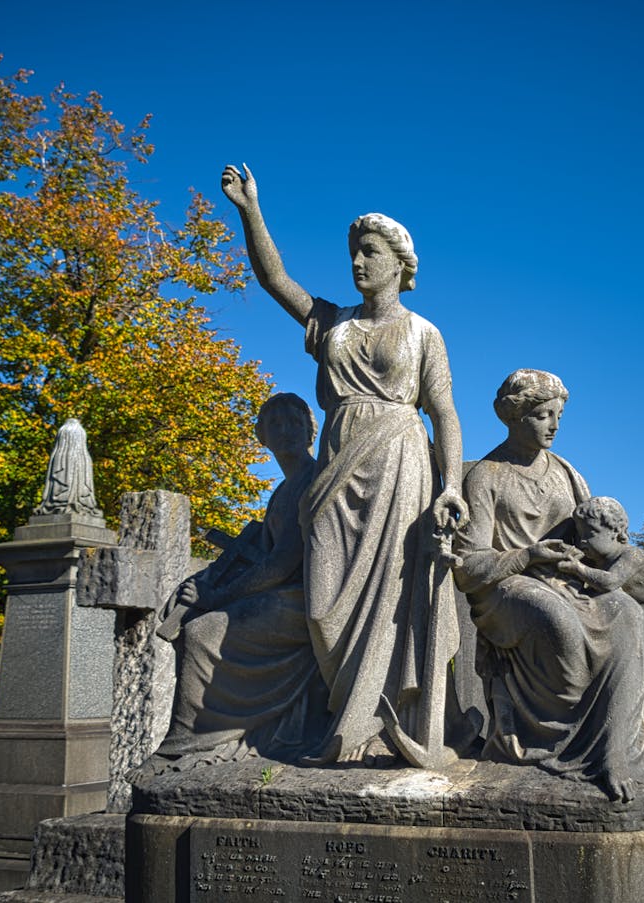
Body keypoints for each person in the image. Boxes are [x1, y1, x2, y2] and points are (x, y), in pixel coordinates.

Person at [220, 164, 468, 765]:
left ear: (399, 263)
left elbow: (445, 414)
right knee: (325, 605)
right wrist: (251, 211)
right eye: (353, 252)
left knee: (394, 596)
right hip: (336, 470)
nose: (358, 262)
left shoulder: (423, 333)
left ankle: (375, 727)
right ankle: (344, 715)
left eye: (370, 252)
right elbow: (275, 279)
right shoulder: (332, 323)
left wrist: (451, 485)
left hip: (400, 461)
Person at [453, 369, 644, 802]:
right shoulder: (486, 477)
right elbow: (468, 566)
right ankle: (559, 746)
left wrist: (640, 564)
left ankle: (615, 752)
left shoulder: (567, 473)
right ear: (513, 417)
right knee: (557, 621)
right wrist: (528, 556)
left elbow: (602, 541)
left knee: (627, 612)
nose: (553, 425)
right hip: (507, 590)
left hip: (568, 583)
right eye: (543, 415)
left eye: (558, 416)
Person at [151, 393, 328, 765]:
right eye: (274, 425)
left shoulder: (313, 481)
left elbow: (281, 565)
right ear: (260, 437)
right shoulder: (282, 490)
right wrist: (204, 582)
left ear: (311, 430)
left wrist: (217, 595)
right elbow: (259, 559)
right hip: (283, 596)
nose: (285, 431)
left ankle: (190, 741)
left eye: (294, 422)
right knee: (193, 625)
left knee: (204, 632)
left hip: (308, 599)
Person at [560, 496, 644, 754]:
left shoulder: (633, 555)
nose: (583, 540)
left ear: (618, 533)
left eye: (592, 533)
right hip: (642, 630)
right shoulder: (597, 561)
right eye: (580, 534)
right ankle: (641, 737)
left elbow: (609, 582)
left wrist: (575, 569)